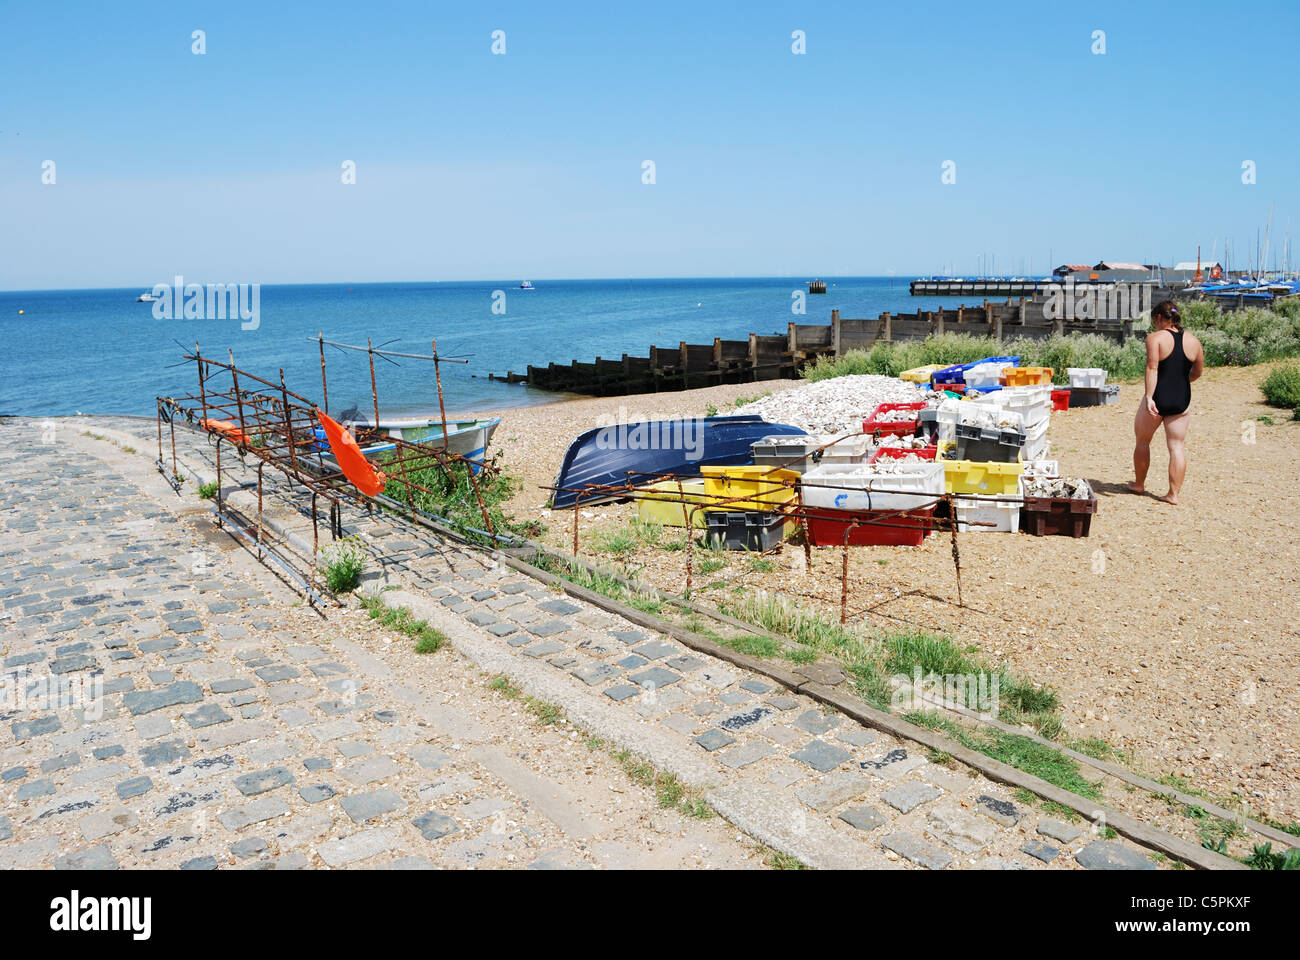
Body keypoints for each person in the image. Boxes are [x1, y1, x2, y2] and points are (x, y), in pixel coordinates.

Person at [1128, 300, 1202, 505]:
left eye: (1154, 320)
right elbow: (1197, 372)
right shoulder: (1194, 341)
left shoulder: (1155, 338)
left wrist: (1149, 397)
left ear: (1159, 318)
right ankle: (1173, 494)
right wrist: (1180, 383)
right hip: (1181, 398)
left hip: (1158, 397)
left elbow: (1152, 368)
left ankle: (1139, 484)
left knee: (1143, 440)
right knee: (1177, 446)